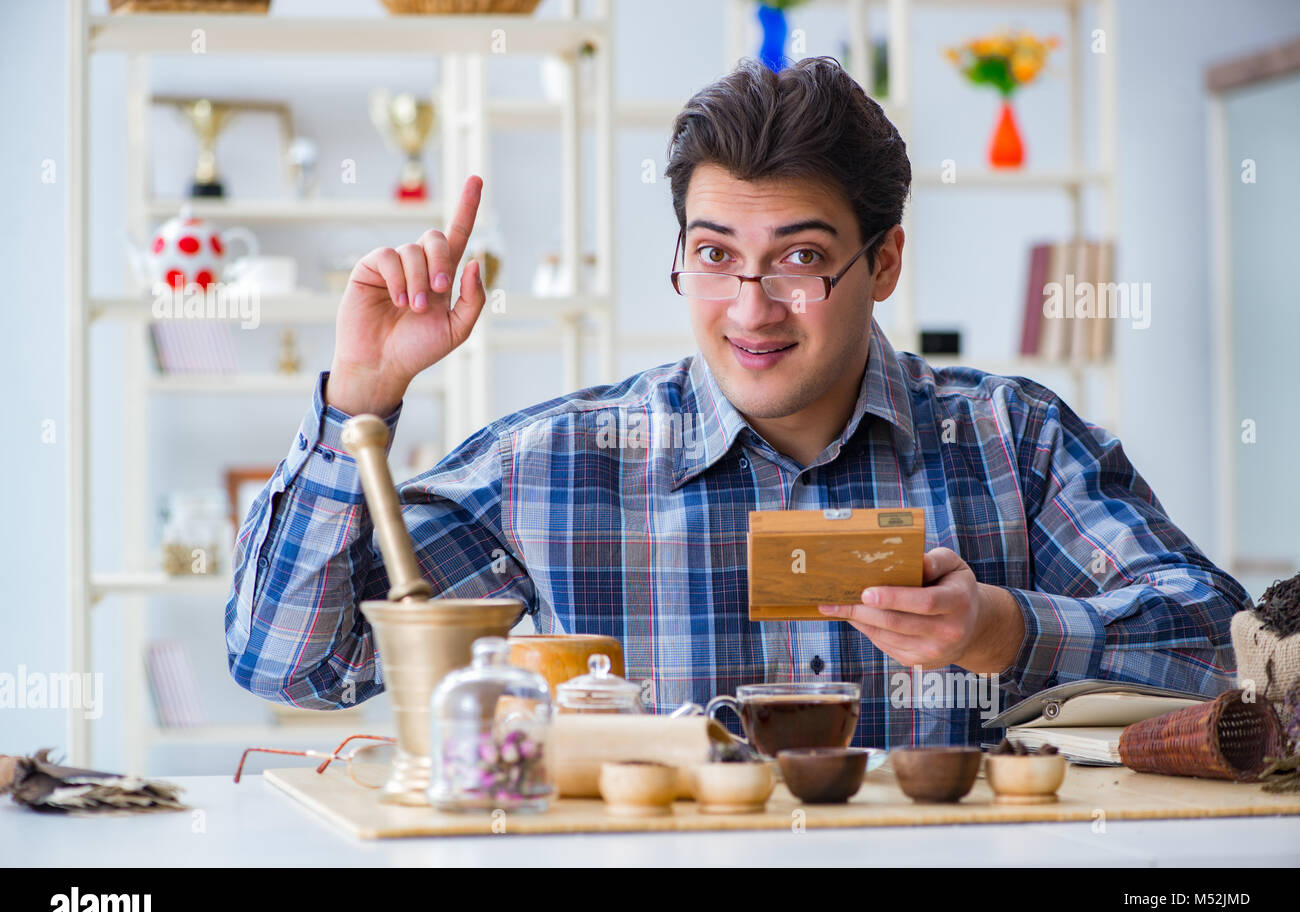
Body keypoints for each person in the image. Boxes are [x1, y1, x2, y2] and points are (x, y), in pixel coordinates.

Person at [225, 56, 1249, 749]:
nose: (750, 308)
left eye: (800, 257)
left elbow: (1225, 652)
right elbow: (293, 668)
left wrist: (1000, 629)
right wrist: (359, 397)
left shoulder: (1009, 438)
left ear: (882, 261)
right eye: (714, 257)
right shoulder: (556, 464)